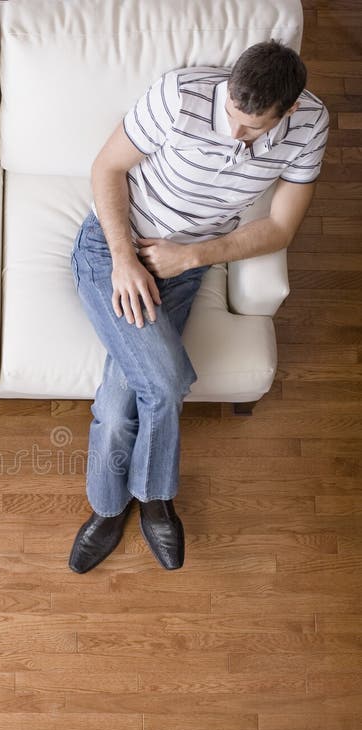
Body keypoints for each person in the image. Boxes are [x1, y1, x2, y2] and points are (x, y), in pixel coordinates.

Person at [68, 40, 328, 574]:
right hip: (112, 249)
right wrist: (124, 260)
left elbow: (279, 228)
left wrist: (191, 256)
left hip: (185, 265)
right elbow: (105, 169)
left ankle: (109, 508)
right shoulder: (179, 96)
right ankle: (153, 499)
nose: (236, 135)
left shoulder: (311, 125)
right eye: (232, 116)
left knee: (120, 406)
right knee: (163, 384)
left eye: (253, 129)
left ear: (290, 109)